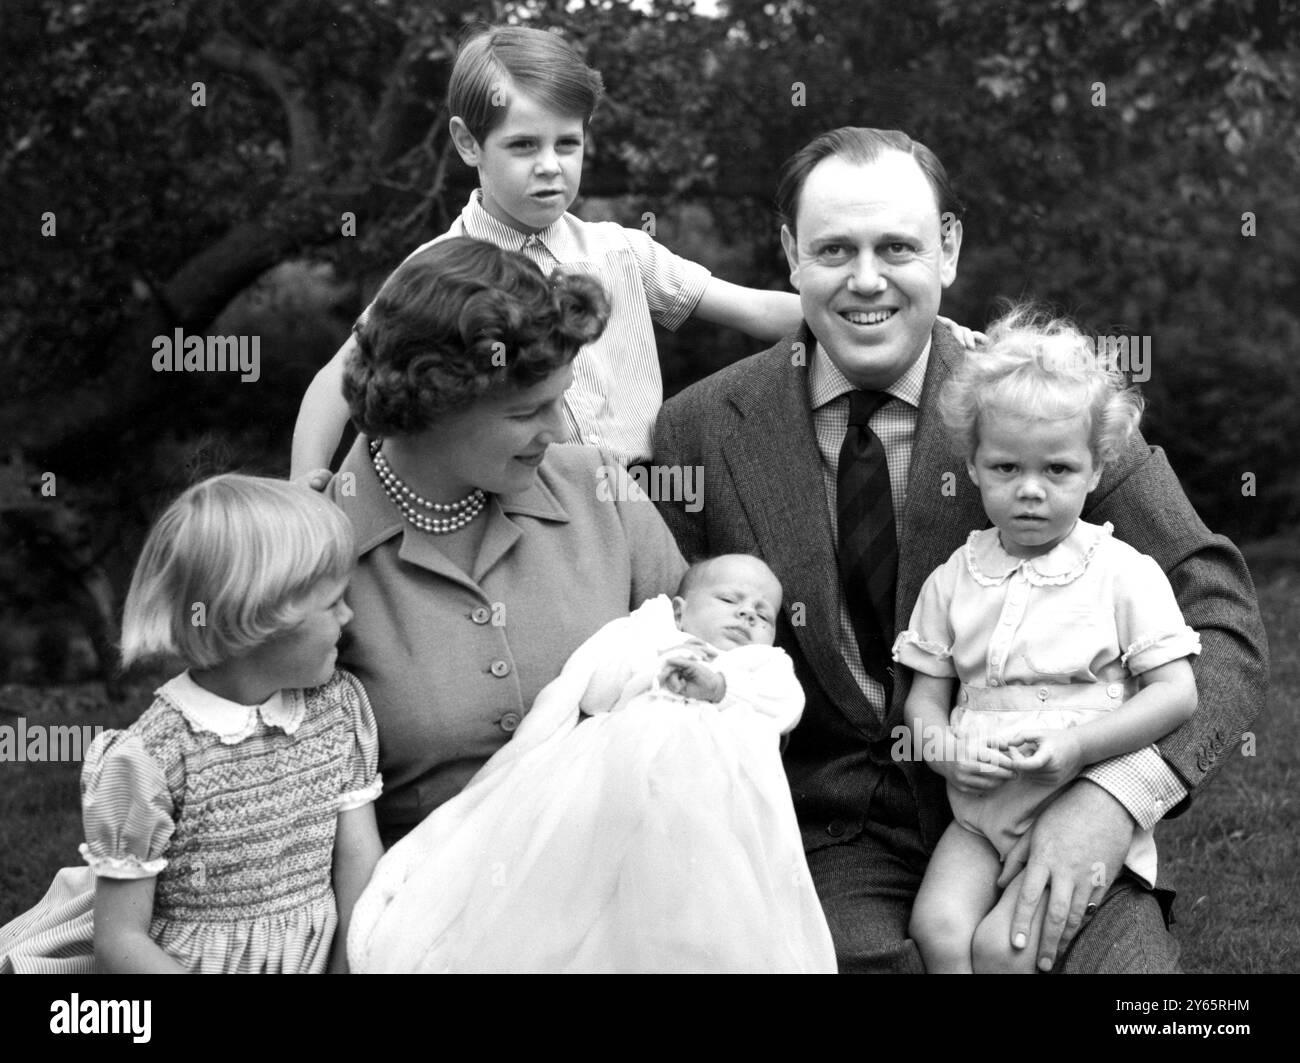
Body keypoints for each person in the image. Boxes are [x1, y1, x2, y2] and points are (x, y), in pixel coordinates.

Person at [651, 127, 1269, 973]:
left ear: (947, 248)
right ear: (790, 254)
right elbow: (663, 635)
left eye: (897, 246)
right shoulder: (699, 429)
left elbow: (1219, 616)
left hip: (1053, 805)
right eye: (834, 248)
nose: (866, 279)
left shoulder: (1045, 405)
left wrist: (1114, 794)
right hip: (829, 843)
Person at [292, 25, 979, 476]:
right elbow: (343, 373)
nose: (551, 167)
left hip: (647, 495)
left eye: (569, 143)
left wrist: (918, 325)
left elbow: (754, 310)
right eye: (523, 146)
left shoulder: (619, 251)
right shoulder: (442, 267)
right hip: (525, 500)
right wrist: (306, 479)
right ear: (470, 143)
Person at [325, 236, 687, 848]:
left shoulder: (596, 484)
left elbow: (719, 668)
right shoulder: (315, 552)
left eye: (559, 401)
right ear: (429, 403)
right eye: (524, 413)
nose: (555, 430)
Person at [349, 554, 835, 973]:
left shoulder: (762, 667)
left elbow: (782, 707)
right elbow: (597, 689)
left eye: (763, 614)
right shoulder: (647, 636)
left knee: (705, 887)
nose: (747, 615)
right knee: (585, 869)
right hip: (616, 773)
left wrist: (721, 689)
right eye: (730, 601)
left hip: (715, 798)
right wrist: (650, 674)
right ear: (681, 612)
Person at [895, 310, 1200, 973]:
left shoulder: (1121, 572)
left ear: (1096, 471)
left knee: (1000, 949)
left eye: (1058, 469)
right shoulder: (954, 577)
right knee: (938, 929)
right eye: (1006, 466)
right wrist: (945, 751)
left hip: (1073, 805)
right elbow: (923, 700)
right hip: (978, 815)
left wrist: (1079, 746)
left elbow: (1177, 694)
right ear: (973, 466)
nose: (1030, 490)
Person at [0, 475, 383, 974]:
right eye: (332, 602)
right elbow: (121, 942)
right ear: (258, 618)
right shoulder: (151, 759)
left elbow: (359, 858)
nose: (350, 615)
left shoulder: (338, 709)